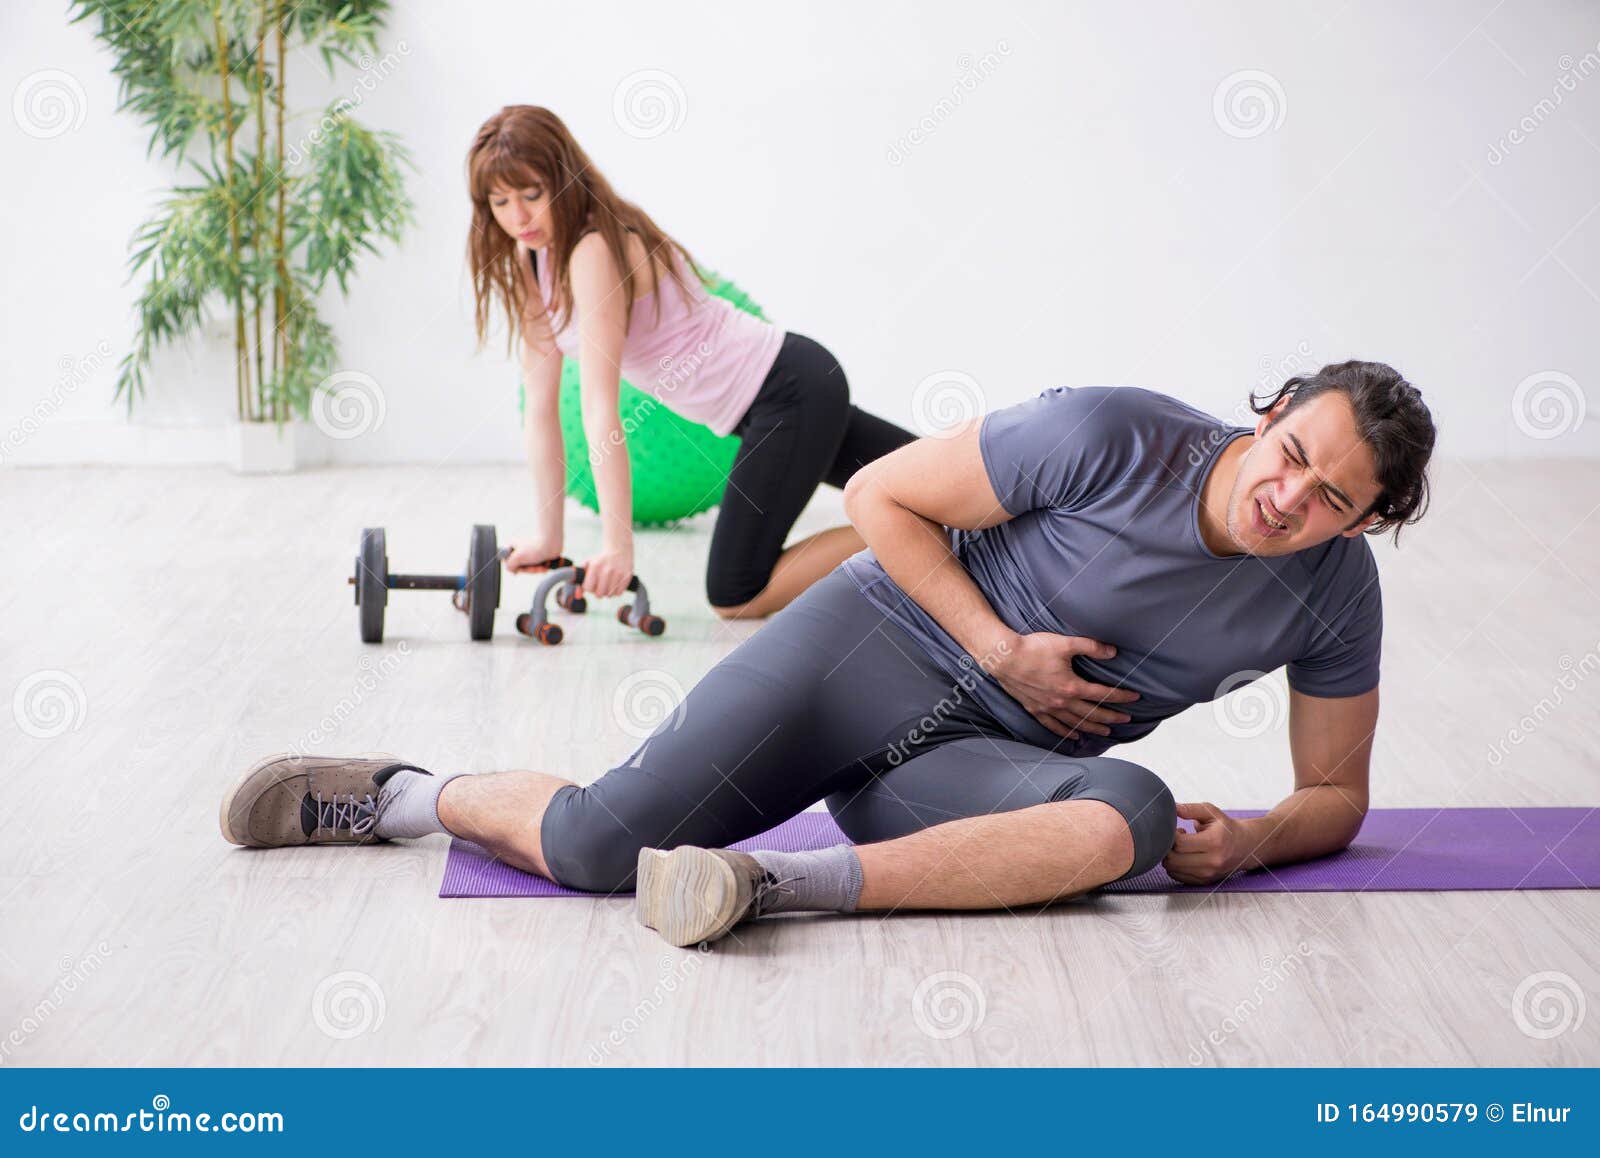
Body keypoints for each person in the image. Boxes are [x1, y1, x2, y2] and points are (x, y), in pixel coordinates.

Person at [222, 361, 1436, 949]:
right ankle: (399, 794)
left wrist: (1255, 842)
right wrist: (999, 648)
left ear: (1365, 521)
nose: (1289, 497)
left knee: (1135, 811)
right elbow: (877, 492)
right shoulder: (1112, 434)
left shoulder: (1333, 598)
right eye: (1292, 455)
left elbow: (1336, 796)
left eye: (1331, 499)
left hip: (966, 779)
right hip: (871, 645)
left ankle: (761, 885)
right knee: (596, 847)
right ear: (1269, 413)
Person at [467, 105, 916, 618]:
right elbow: (540, 407)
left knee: (737, 592)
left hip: (788, 390)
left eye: (532, 195)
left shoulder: (593, 248)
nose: (518, 218)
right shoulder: (532, 258)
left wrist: (618, 547)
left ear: (565, 180)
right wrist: (550, 538)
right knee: (945, 486)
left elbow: (599, 407)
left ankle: (917, 530)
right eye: (500, 202)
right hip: (778, 400)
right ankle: (934, 521)